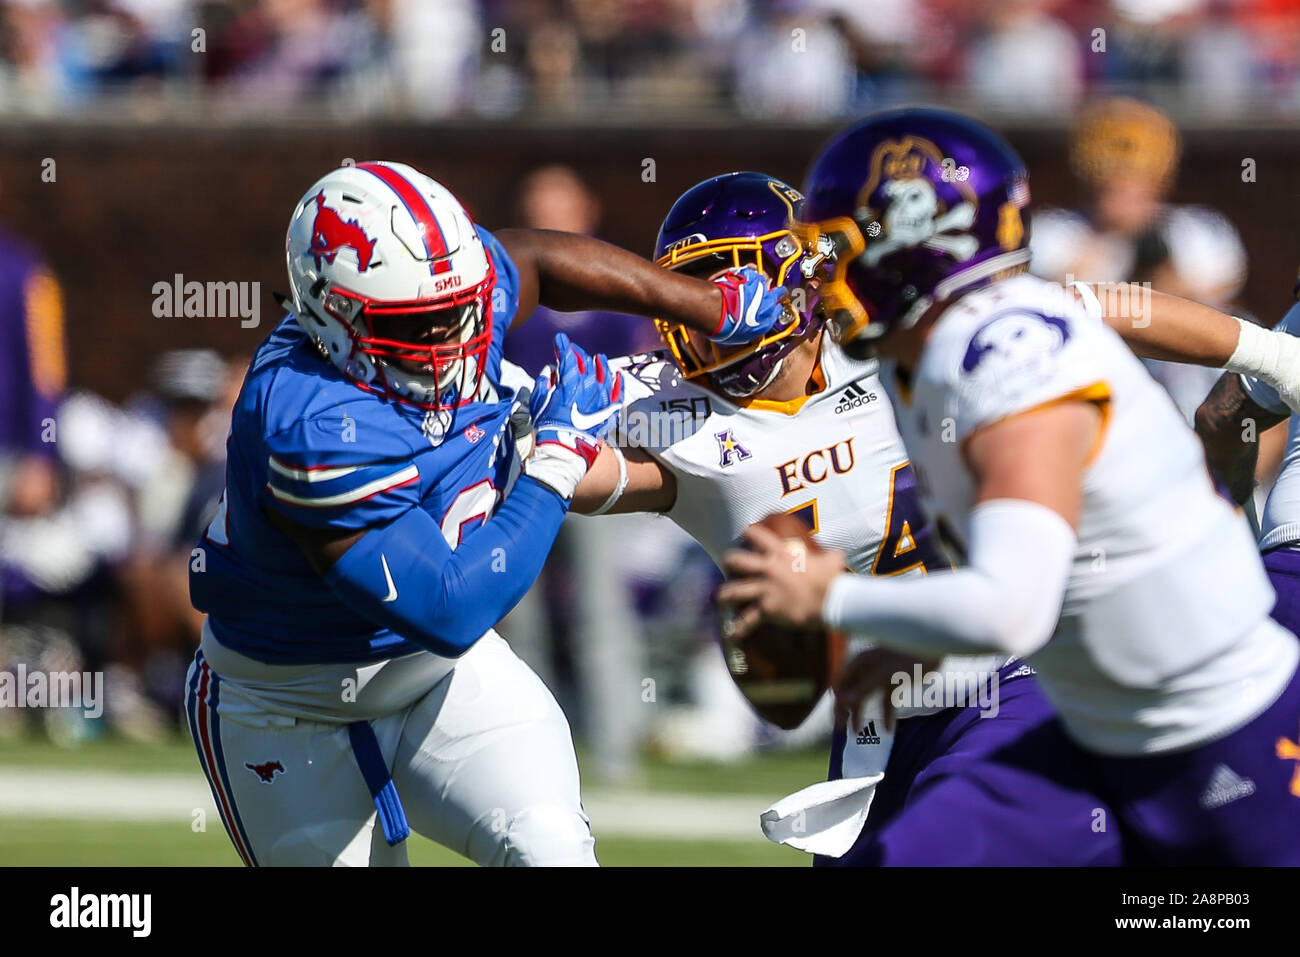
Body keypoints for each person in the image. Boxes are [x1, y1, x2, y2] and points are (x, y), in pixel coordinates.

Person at [718, 108, 1300, 865]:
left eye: (835, 247)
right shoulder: (925, 354)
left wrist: (830, 599)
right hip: (1090, 728)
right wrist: (927, 650)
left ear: (912, 246)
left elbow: (1012, 603)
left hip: (1220, 742)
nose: (814, 274)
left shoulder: (1002, 356)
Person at [184, 159, 789, 866]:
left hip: (439, 679)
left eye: (464, 306)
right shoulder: (309, 421)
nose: (459, 335)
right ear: (335, 318)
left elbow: (531, 257)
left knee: (552, 849)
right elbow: (447, 607)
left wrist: (705, 305)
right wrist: (555, 462)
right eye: (423, 325)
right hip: (286, 704)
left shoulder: (443, 292)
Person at [573, 170, 1122, 865]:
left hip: (1009, 668)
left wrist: (1265, 357)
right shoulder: (678, 417)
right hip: (874, 718)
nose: (711, 317)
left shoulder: (889, 340)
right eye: (691, 296)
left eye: (727, 283)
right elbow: (557, 470)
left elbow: (1085, 308)